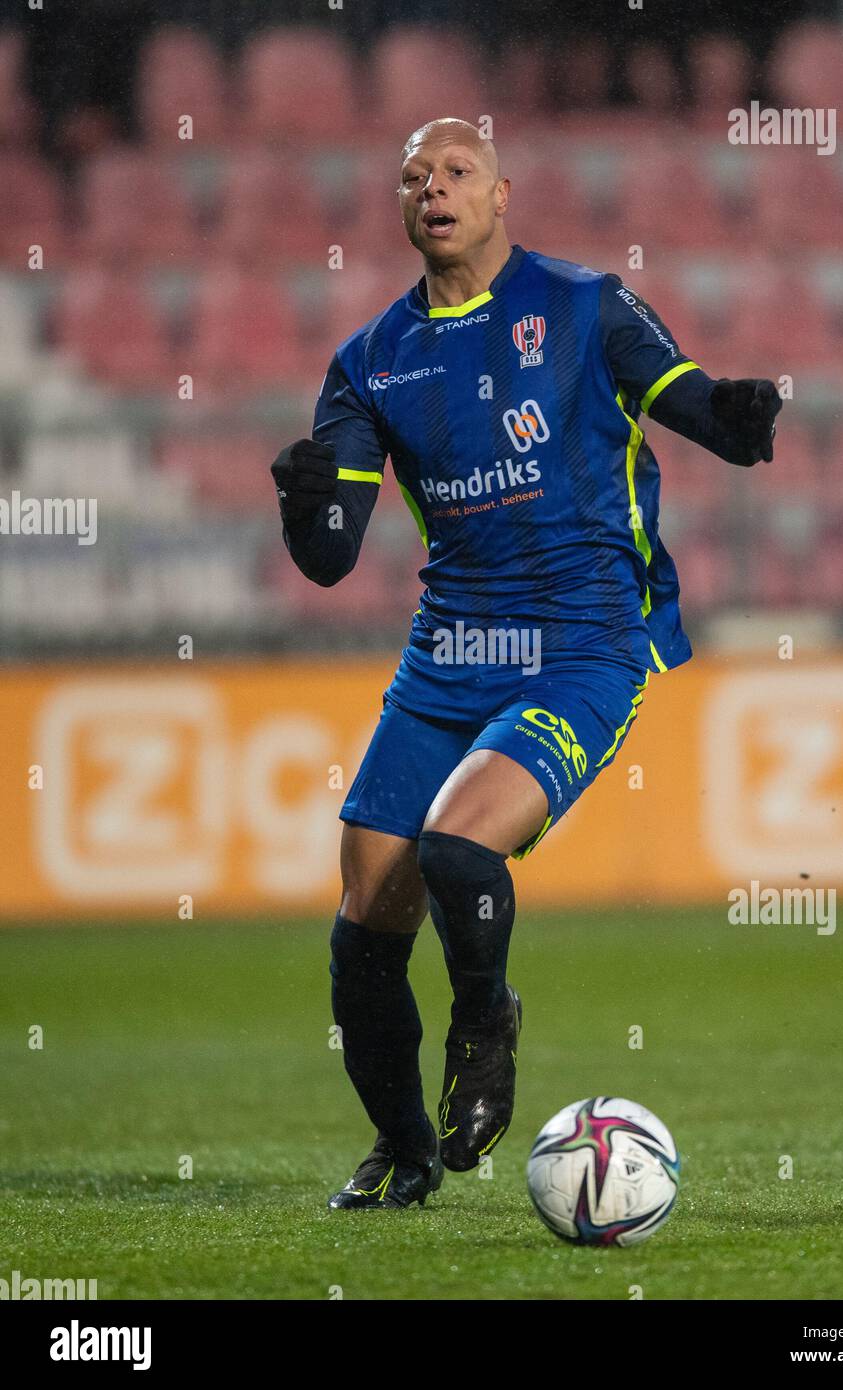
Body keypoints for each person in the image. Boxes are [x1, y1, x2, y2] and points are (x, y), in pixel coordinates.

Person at [271, 117, 782, 1209]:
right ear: (402, 209)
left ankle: (486, 1024)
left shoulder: (584, 305)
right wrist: (305, 499)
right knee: (364, 921)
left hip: (587, 643)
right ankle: (404, 1150)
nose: (433, 188)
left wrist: (737, 419)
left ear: (503, 194)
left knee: (458, 849)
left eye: (456, 171)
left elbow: (696, 406)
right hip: (451, 648)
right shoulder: (369, 364)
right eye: (412, 176)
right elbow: (328, 558)